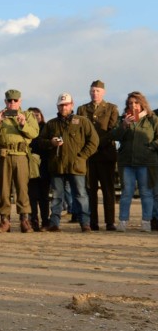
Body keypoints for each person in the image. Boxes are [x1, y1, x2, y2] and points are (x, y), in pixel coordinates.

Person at [41, 93, 97, 232]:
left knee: (80, 195)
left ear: (72, 105)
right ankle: (54, 223)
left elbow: (94, 141)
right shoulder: (51, 124)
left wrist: (82, 156)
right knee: (56, 196)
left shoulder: (83, 121)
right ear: (57, 106)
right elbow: (40, 142)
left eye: (66, 104)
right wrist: (51, 143)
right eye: (61, 105)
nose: (63, 107)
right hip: (57, 166)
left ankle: (85, 223)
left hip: (76, 166)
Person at [0, 89, 39, 232]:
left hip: (21, 155)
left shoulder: (27, 115)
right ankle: (5, 220)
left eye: (15, 100)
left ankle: (24, 220)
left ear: (20, 101)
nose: (12, 103)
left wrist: (23, 124)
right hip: (4, 155)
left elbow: (34, 133)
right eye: (9, 101)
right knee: (3, 189)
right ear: (5, 102)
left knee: (23, 189)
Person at [77, 80, 120, 231]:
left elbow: (112, 131)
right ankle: (92, 221)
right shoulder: (82, 109)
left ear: (103, 92)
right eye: (92, 91)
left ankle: (110, 222)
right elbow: (79, 132)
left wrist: (94, 144)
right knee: (90, 190)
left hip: (105, 154)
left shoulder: (111, 108)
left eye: (97, 91)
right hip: (89, 157)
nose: (95, 93)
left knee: (108, 190)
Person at [113, 91, 158, 231]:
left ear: (142, 103)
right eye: (130, 103)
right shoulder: (123, 119)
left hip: (146, 162)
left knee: (146, 193)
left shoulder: (152, 119)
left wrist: (151, 147)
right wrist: (124, 125)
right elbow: (115, 136)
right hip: (127, 162)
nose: (134, 105)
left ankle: (146, 222)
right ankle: (123, 222)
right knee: (126, 193)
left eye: (136, 103)